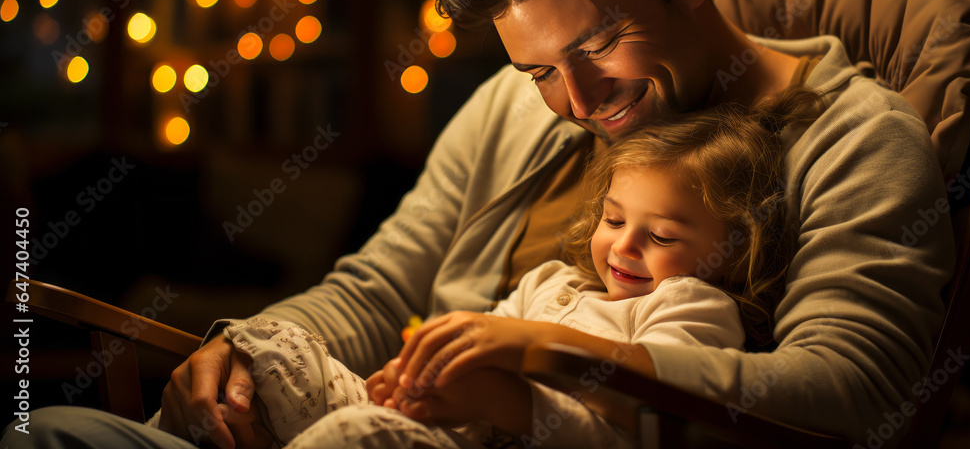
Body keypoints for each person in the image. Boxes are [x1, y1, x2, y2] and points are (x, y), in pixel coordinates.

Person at [3, 0, 954, 447]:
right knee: (49, 433)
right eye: (541, 70)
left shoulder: (852, 141)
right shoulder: (513, 107)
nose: (578, 105)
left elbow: (853, 396)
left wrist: (552, 358)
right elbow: (379, 287)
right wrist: (245, 347)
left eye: (600, 44)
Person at [182, 87, 821, 449]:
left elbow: (641, 435)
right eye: (614, 219)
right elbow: (464, 336)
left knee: (356, 436)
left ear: (734, 247)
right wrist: (413, 377)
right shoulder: (552, 282)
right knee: (274, 347)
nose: (624, 250)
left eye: (659, 235)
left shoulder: (689, 310)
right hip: (446, 432)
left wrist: (505, 400)